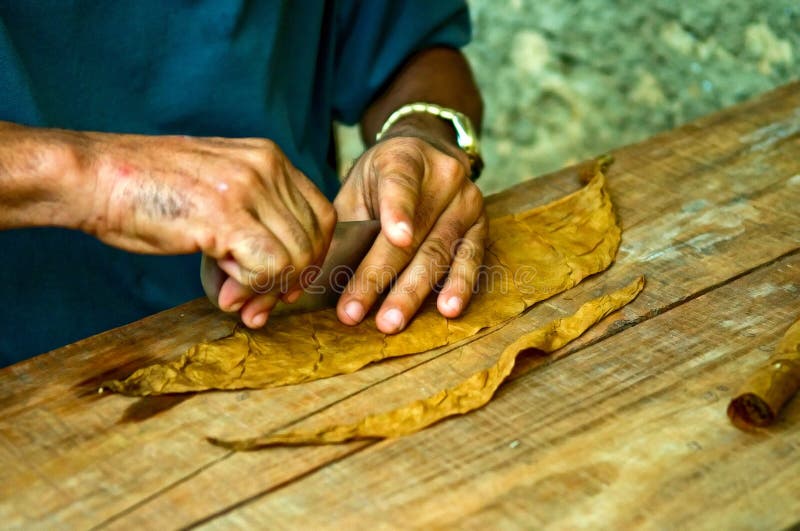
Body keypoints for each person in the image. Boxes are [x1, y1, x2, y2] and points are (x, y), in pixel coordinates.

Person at [0, 1, 485, 366]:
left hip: (305, 320)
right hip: (31, 380)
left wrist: (423, 132)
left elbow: (414, 45)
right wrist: (92, 176)